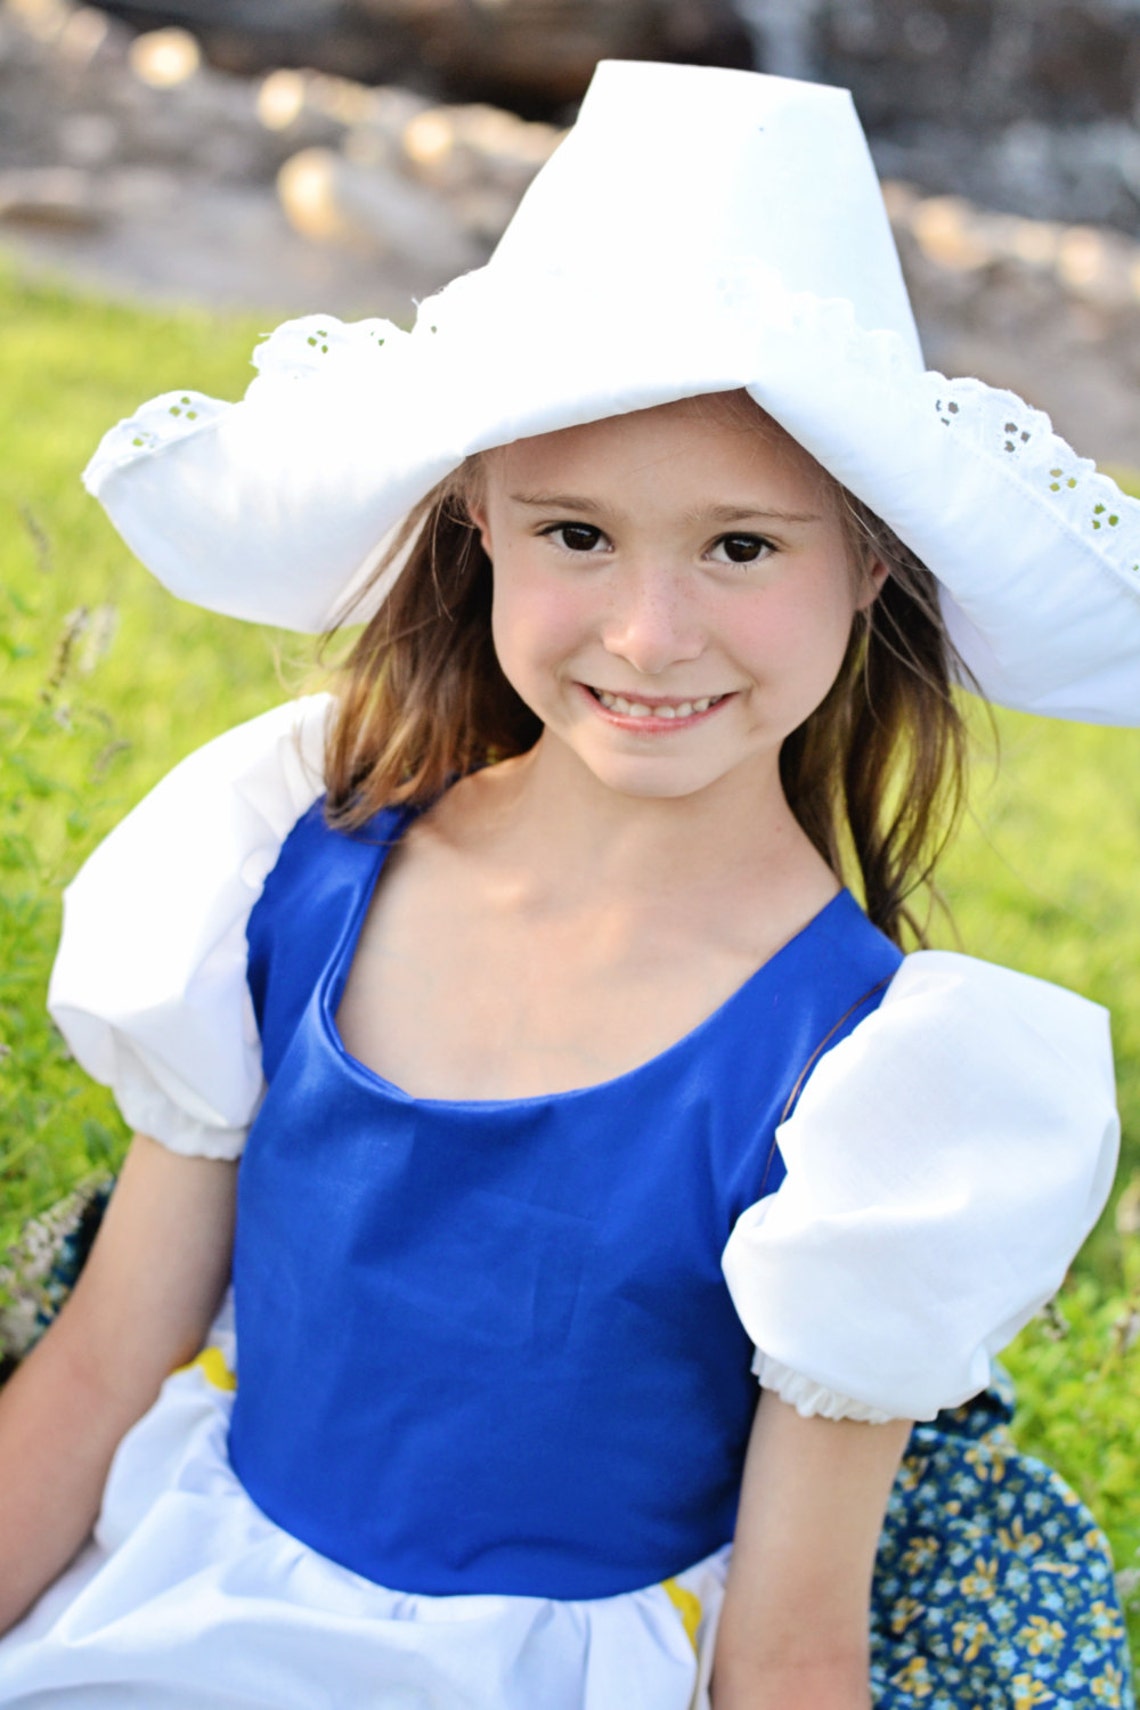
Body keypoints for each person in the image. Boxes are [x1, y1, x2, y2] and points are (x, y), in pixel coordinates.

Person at [0, 57, 1137, 1710]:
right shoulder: (288, 860)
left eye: (741, 547)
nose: (649, 634)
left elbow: (795, 1644)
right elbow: (106, 1364)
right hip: (192, 1610)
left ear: (873, 555)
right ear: (478, 515)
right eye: (576, 535)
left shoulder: (878, 1079)